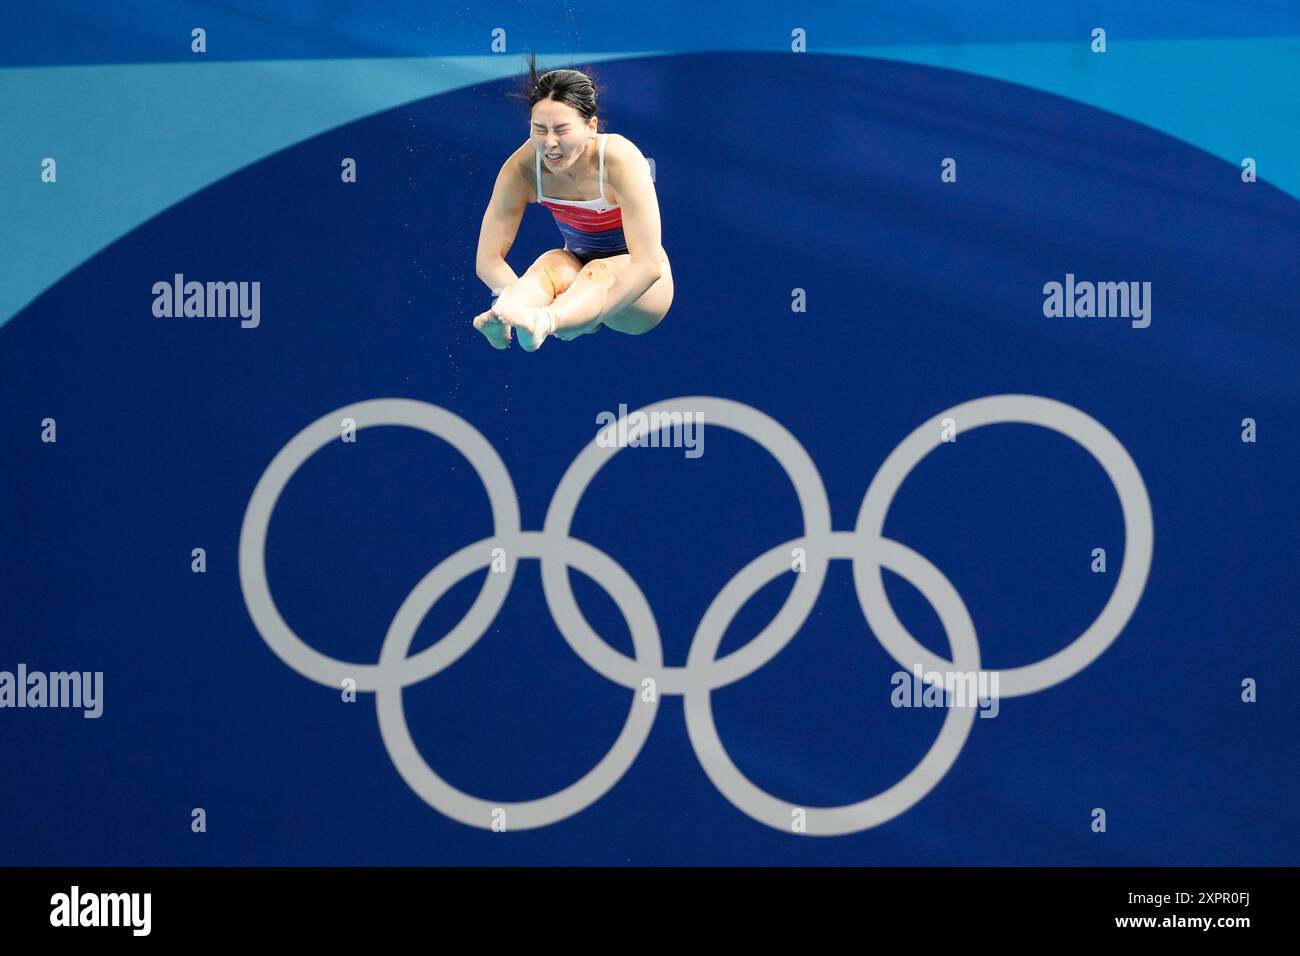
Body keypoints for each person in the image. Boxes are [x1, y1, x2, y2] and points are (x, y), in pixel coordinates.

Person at [473, 56, 673, 350]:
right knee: (548, 265)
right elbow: (487, 261)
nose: (549, 143)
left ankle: (543, 322)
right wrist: (517, 293)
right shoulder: (522, 169)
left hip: (644, 292)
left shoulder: (620, 160)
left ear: (591, 126)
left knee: (598, 273)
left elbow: (648, 266)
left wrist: (589, 319)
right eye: (539, 129)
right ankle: (508, 314)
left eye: (561, 130)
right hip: (579, 273)